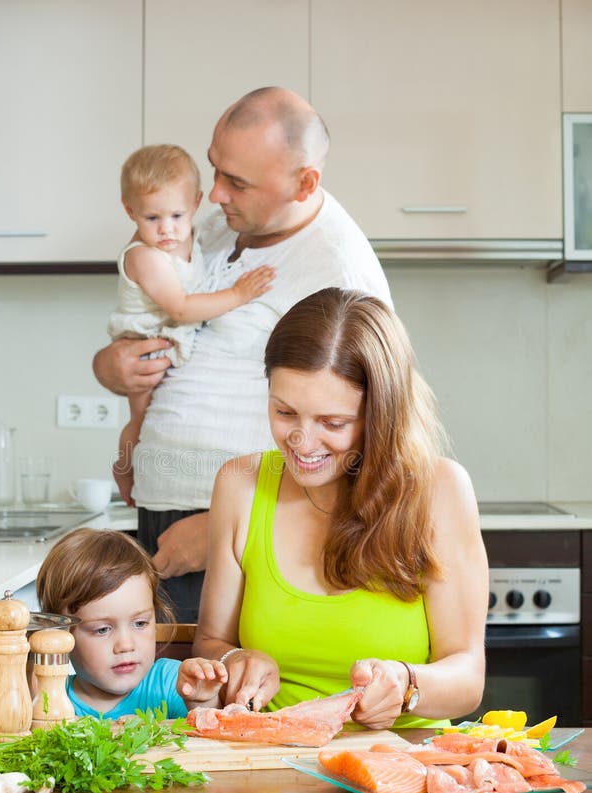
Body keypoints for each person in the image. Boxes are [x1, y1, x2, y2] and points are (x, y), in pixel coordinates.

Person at [93, 86, 392, 623]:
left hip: (241, 534)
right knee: (173, 702)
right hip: (166, 508)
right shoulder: (215, 226)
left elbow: (372, 438)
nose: (214, 194)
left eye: (236, 181)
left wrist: (225, 525)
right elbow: (161, 326)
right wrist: (112, 369)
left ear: (305, 183)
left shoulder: (339, 270)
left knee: (233, 696)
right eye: (215, 170)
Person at [192, 289, 489, 730]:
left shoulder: (439, 491)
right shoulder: (240, 485)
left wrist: (406, 685)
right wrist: (236, 660)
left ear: (380, 415)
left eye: (333, 423)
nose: (302, 441)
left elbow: (467, 676)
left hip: (402, 766)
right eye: (285, 411)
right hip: (268, 759)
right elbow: (212, 641)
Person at [108, 144, 275, 504]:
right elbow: (181, 308)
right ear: (129, 210)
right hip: (145, 344)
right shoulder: (145, 257)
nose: (167, 230)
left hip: (169, 336)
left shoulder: (196, 235)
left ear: (197, 204)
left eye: (177, 216)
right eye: (152, 219)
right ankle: (124, 467)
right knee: (140, 419)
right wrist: (239, 294)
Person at [36, 528, 227, 719]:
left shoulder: (173, 682)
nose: (126, 645)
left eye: (140, 623)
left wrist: (201, 702)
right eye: (102, 629)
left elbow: (214, 733)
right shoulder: (47, 699)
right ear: (59, 636)